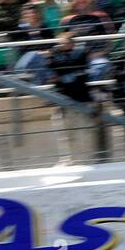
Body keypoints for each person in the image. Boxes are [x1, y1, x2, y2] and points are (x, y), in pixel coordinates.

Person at [47, 32, 95, 164]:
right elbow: (52, 70)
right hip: (62, 98)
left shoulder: (79, 54)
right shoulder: (55, 57)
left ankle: (86, 159)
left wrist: (62, 75)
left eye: (63, 43)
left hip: (80, 98)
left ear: (71, 43)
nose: (60, 46)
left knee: (83, 131)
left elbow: (78, 69)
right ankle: (67, 159)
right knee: (63, 132)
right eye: (59, 43)